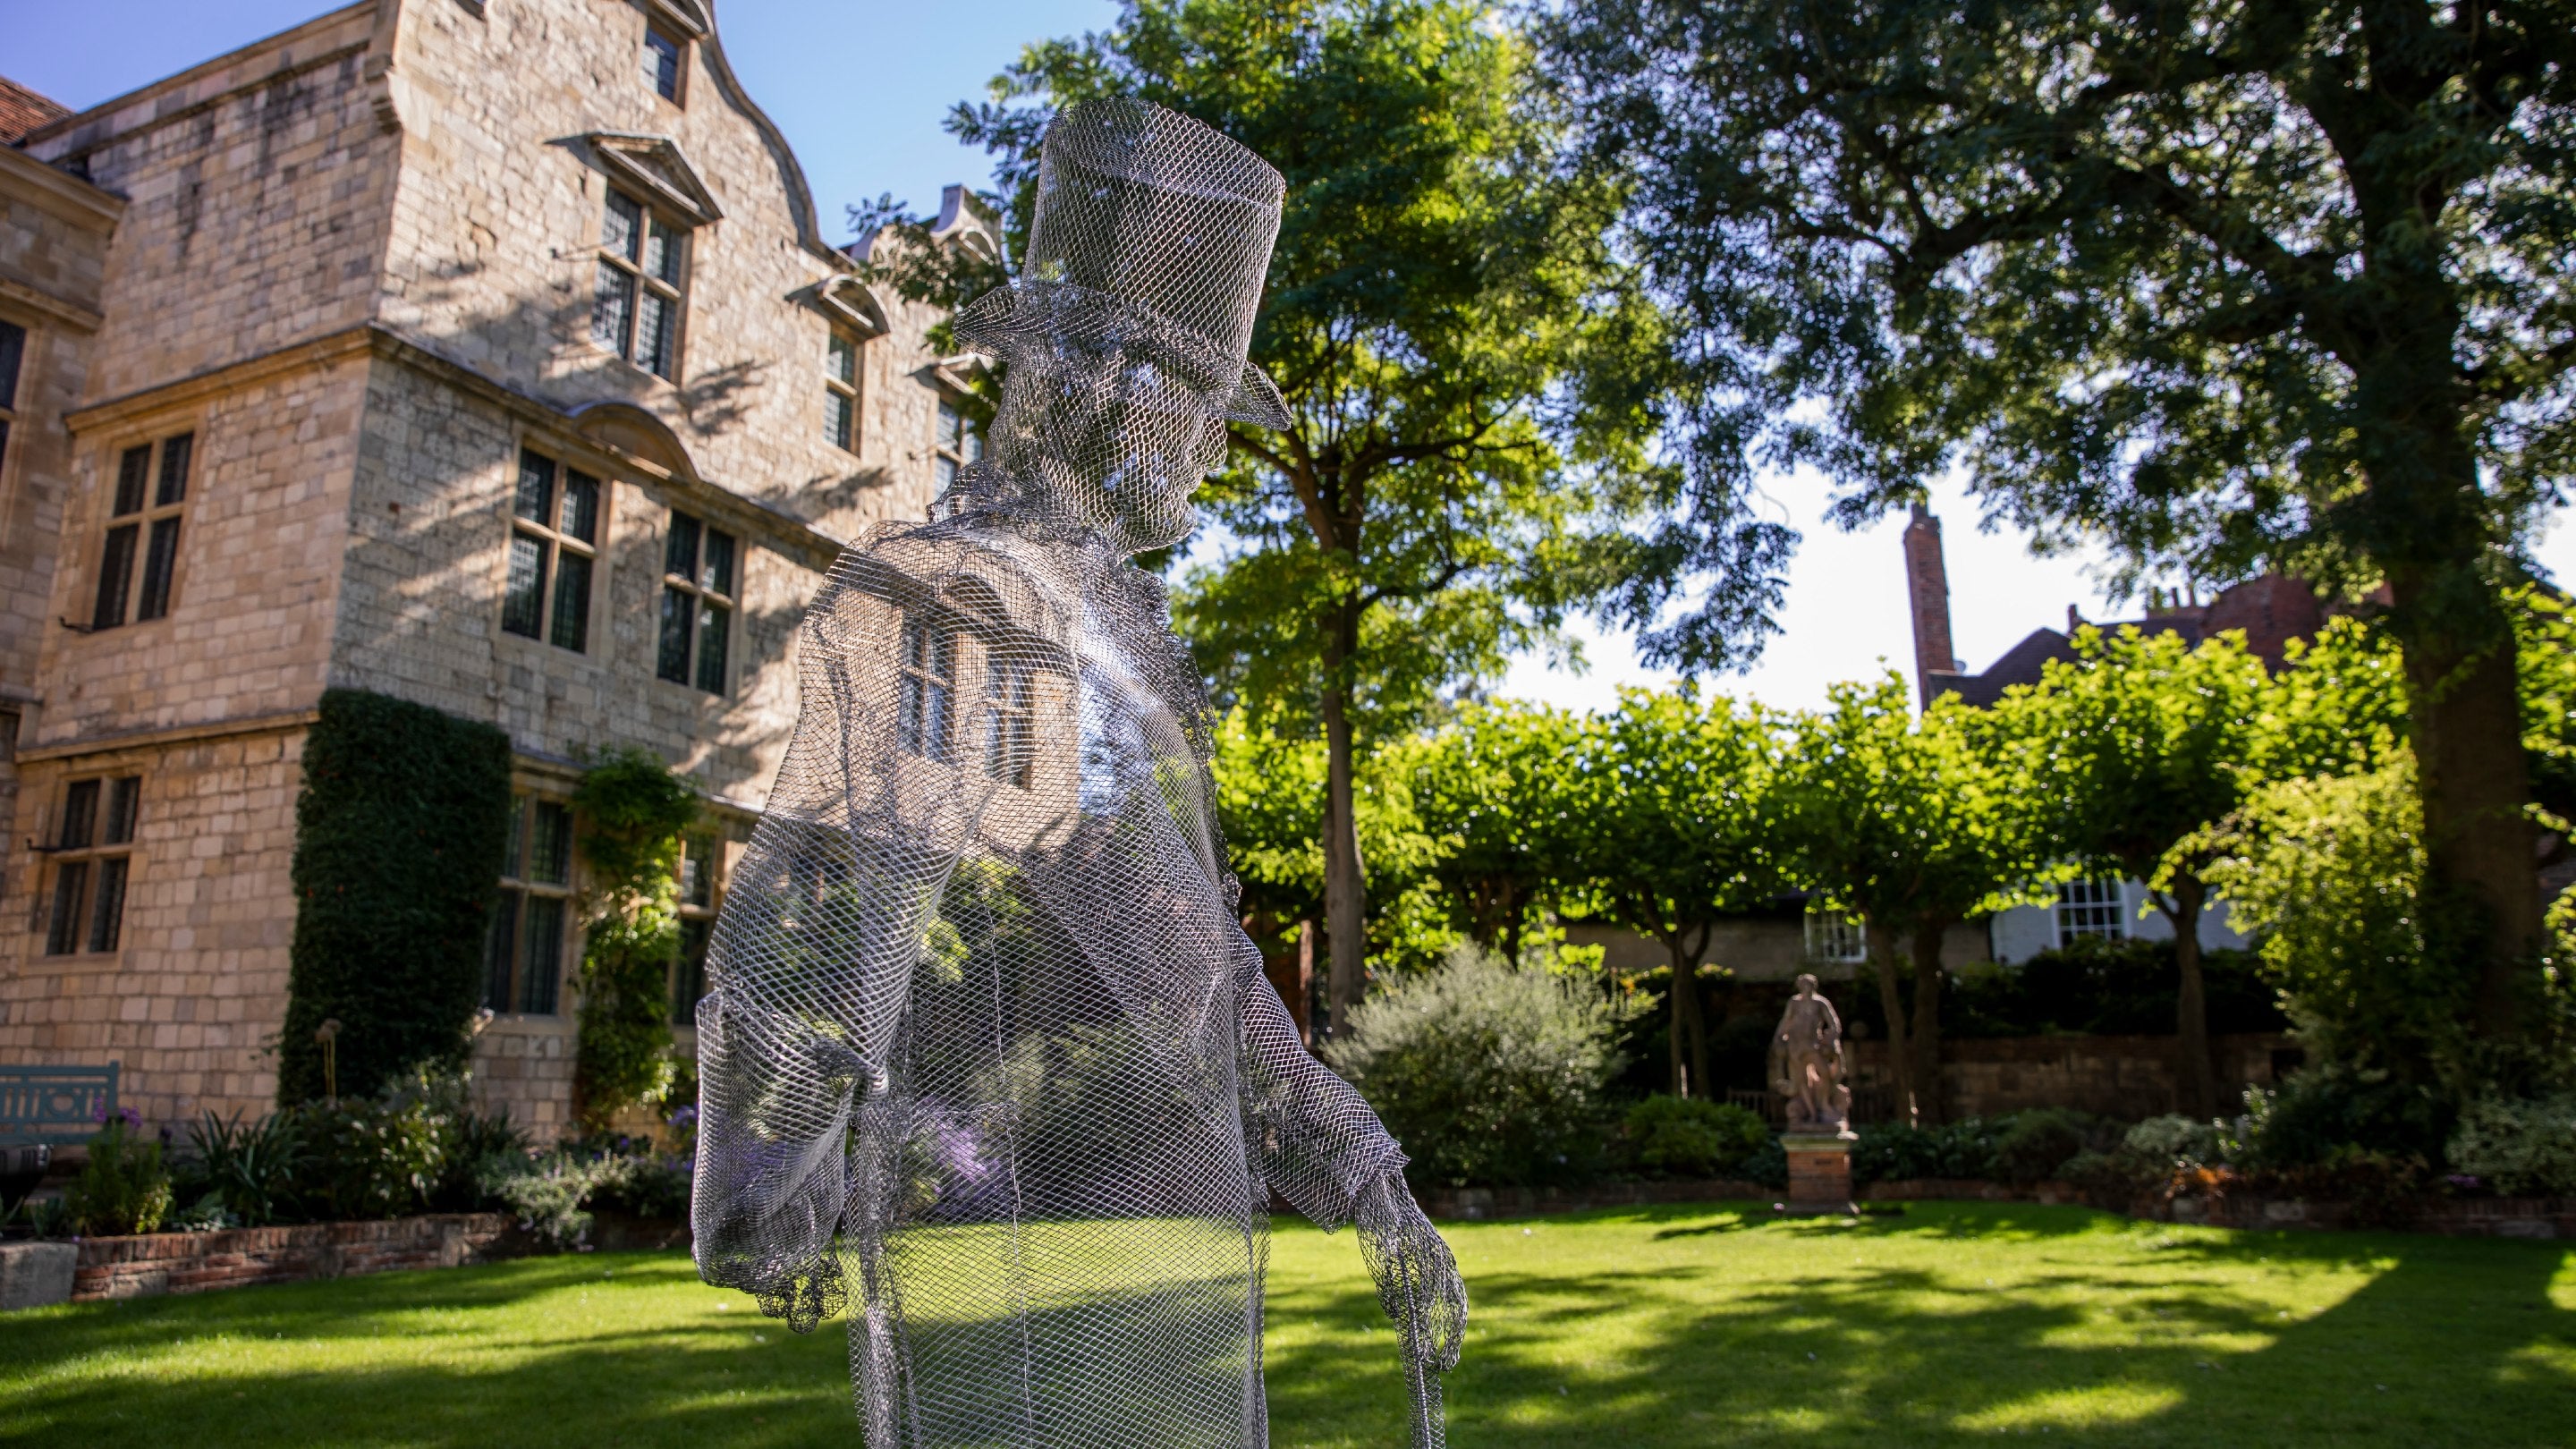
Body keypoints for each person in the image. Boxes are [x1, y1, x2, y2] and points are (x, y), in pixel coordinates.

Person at [688, 97, 1465, 1449]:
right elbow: (824, 903)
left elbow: (1196, 956)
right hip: (992, 1310)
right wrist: (768, 1176)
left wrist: (1365, 1174)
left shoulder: (1116, 637)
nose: (1210, 453)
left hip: (1179, 1293)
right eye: (1195, 406)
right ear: (1103, 385)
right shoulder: (948, 584)